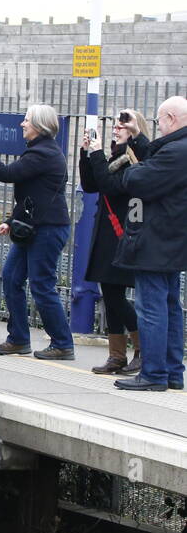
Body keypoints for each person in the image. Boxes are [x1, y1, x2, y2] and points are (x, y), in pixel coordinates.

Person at [89, 95, 187, 391]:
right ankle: (171, 372)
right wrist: (139, 135)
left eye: (159, 122)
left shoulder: (177, 153)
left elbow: (138, 179)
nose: (157, 127)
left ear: (170, 118)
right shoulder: (178, 149)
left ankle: (154, 374)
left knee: (153, 308)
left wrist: (130, 169)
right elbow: (155, 160)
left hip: (156, 241)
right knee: (170, 306)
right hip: (171, 242)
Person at [0, 104, 74, 360]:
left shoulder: (43, 154)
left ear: (40, 126)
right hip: (34, 228)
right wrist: (12, 220)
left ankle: (63, 343)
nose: (22, 124)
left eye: (27, 120)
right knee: (10, 277)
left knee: (42, 285)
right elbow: (33, 196)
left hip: (48, 229)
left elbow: (6, 174)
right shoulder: (39, 152)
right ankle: (18, 338)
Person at [79, 108, 151, 375]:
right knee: (110, 295)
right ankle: (117, 355)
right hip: (107, 233)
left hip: (122, 234)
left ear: (135, 129)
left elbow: (110, 185)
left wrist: (97, 155)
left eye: (123, 125)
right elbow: (90, 185)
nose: (116, 128)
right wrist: (87, 154)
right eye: (115, 124)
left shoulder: (133, 159)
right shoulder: (113, 156)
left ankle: (142, 349)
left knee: (117, 296)